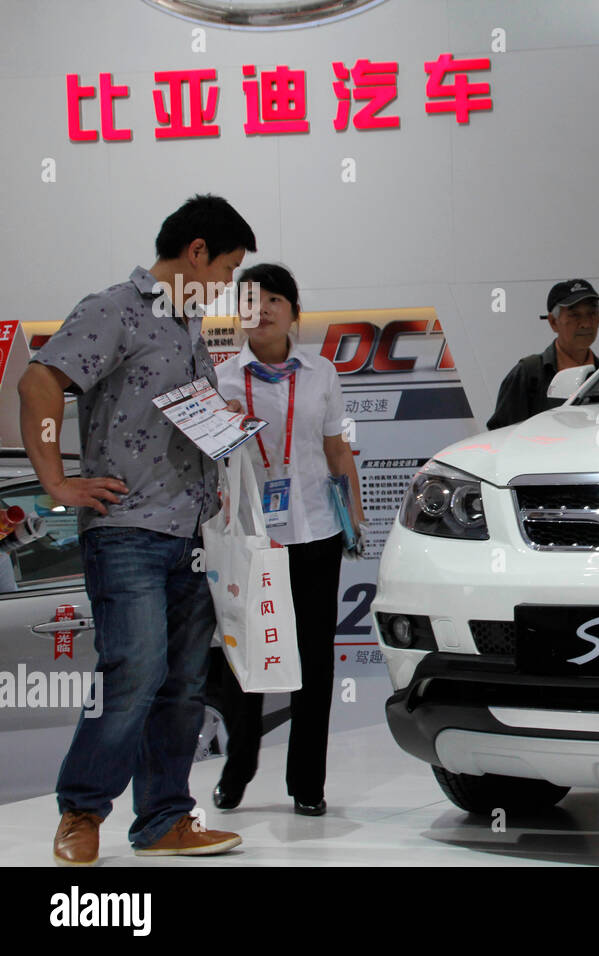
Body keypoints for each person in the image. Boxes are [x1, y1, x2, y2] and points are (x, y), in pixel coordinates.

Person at [19, 194, 255, 866]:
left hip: (190, 536)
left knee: (183, 683)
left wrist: (222, 419)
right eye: (230, 269)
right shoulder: (114, 307)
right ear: (198, 252)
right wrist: (57, 483)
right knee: (136, 669)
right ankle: (82, 811)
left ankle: (164, 819)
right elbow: (39, 382)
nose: (229, 287)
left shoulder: (187, 328)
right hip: (126, 527)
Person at [210, 263, 364, 817]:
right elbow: (209, 460)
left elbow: (337, 449)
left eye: (275, 299)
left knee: (314, 662)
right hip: (250, 540)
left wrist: (355, 517)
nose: (264, 309)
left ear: (294, 312)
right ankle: (239, 768)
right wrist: (221, 426)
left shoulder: (322, 373)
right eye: (251, 300)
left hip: (316, 530)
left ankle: (307, 783)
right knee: (245, 659)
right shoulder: (221, 377)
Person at [486, 279, 599, 429]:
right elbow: (501, 434)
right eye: (575, 315)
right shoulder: (529, 374)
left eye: (592, 313)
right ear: (553, 322)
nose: (586, 323)